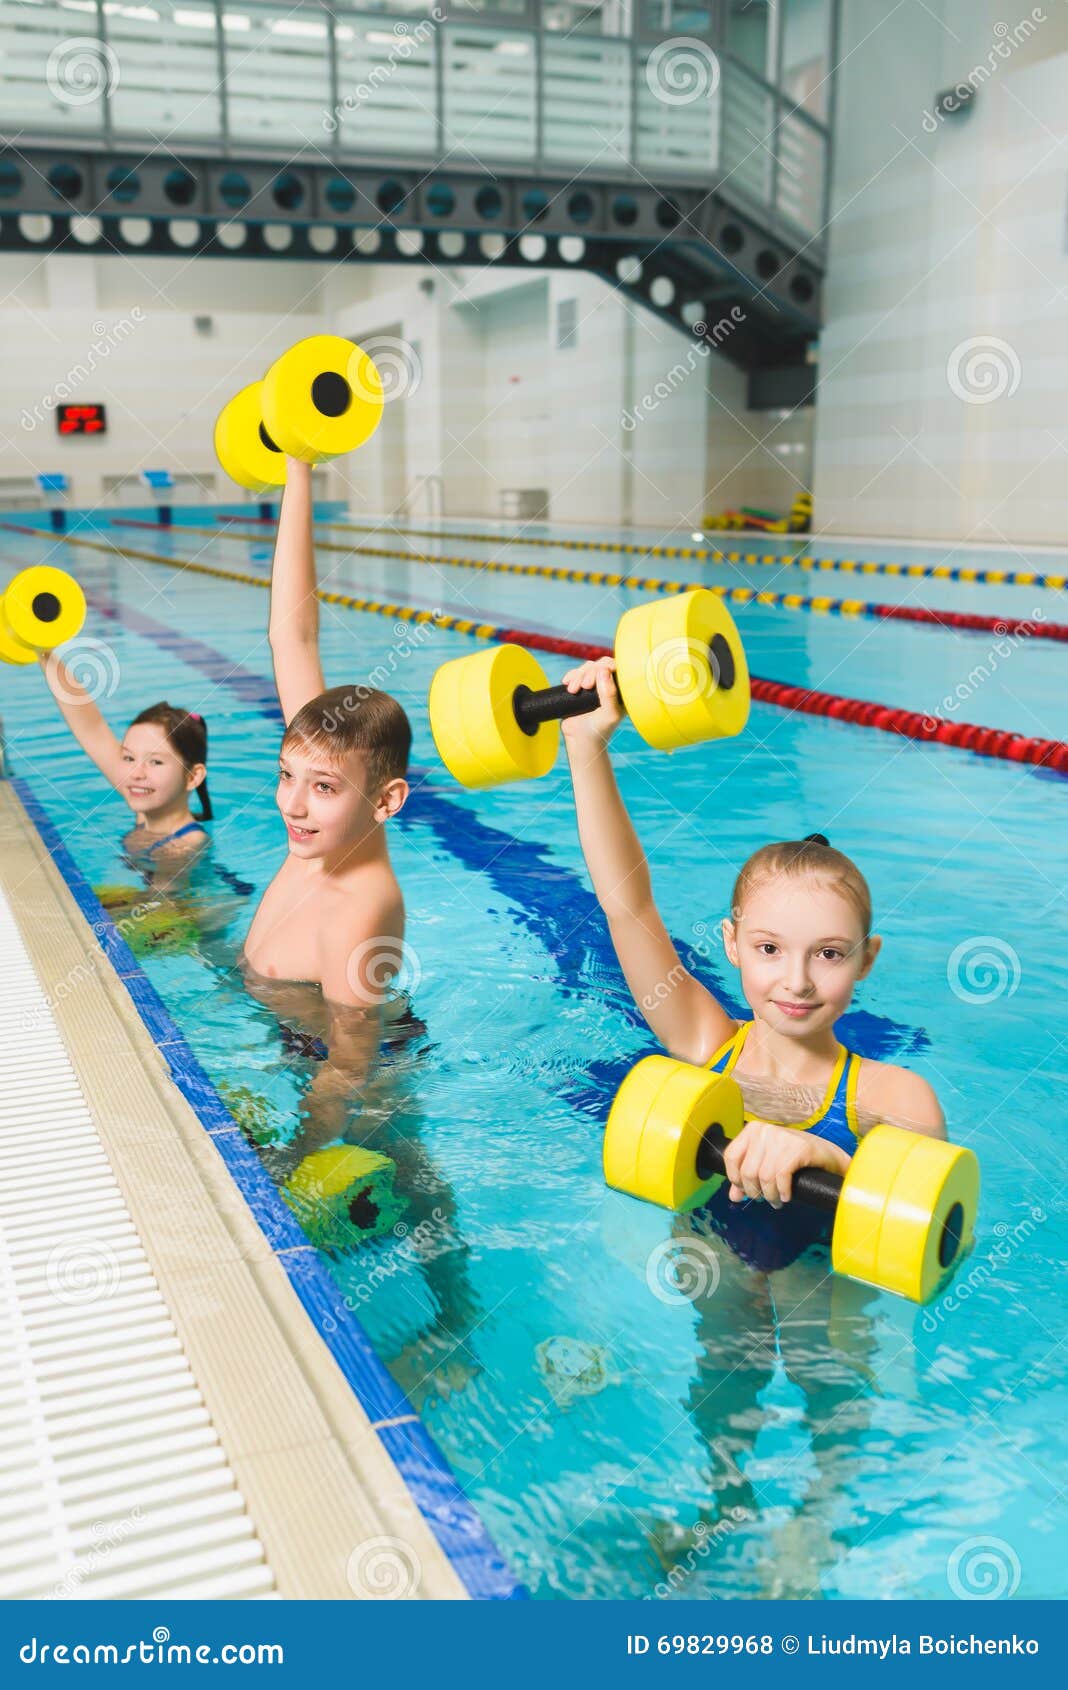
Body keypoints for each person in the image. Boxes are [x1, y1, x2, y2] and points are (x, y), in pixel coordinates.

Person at [561, 655, 945, 1209]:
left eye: (829, 954)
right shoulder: (702, 1041)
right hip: (710, 1259)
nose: (797, 981)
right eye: (769, 948)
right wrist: (585, 743)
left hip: (825, 1281)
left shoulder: (894, 1098)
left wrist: (829, 1157)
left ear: (867, 960)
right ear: (731, 944)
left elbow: (932, 1222)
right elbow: (628, 906)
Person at [240, 456, 411, 1013]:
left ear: (385, 801)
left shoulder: (357, 909)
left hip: (323, 1065)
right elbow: (292, 637)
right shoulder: (323, 837)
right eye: (286, 776)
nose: (292, 804)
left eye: (324, 788)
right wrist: (298, 464)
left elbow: (346, 1072)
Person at [37, 652, 210, 874]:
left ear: (192, 776)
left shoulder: (181, 847)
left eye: (155, 762)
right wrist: (41, 648)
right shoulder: (147, 805)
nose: (136, 773)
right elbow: (91, 727)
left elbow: (162, 904)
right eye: (129, 757)